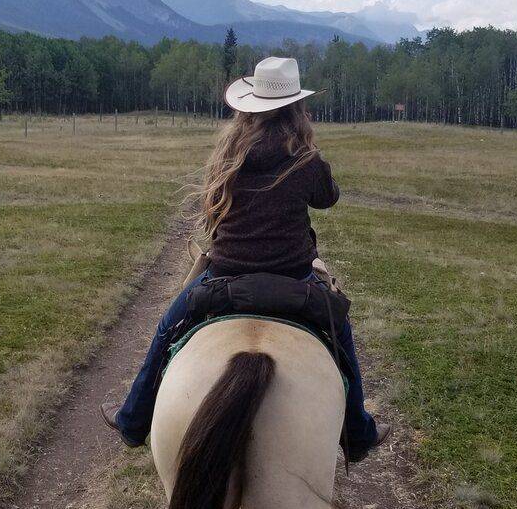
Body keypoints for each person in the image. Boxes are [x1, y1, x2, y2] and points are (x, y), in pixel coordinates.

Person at [101, 56, 388, 459]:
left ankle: (133, 419)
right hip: (295, 279)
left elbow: (213, 207)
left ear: (250, 107)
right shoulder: (306, 161)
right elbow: (329, 198)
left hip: (224, 278)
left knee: (169, 324)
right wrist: (313, 157)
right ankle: (357, 433)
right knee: (342, 334)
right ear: (297, 109)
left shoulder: (229, 154)